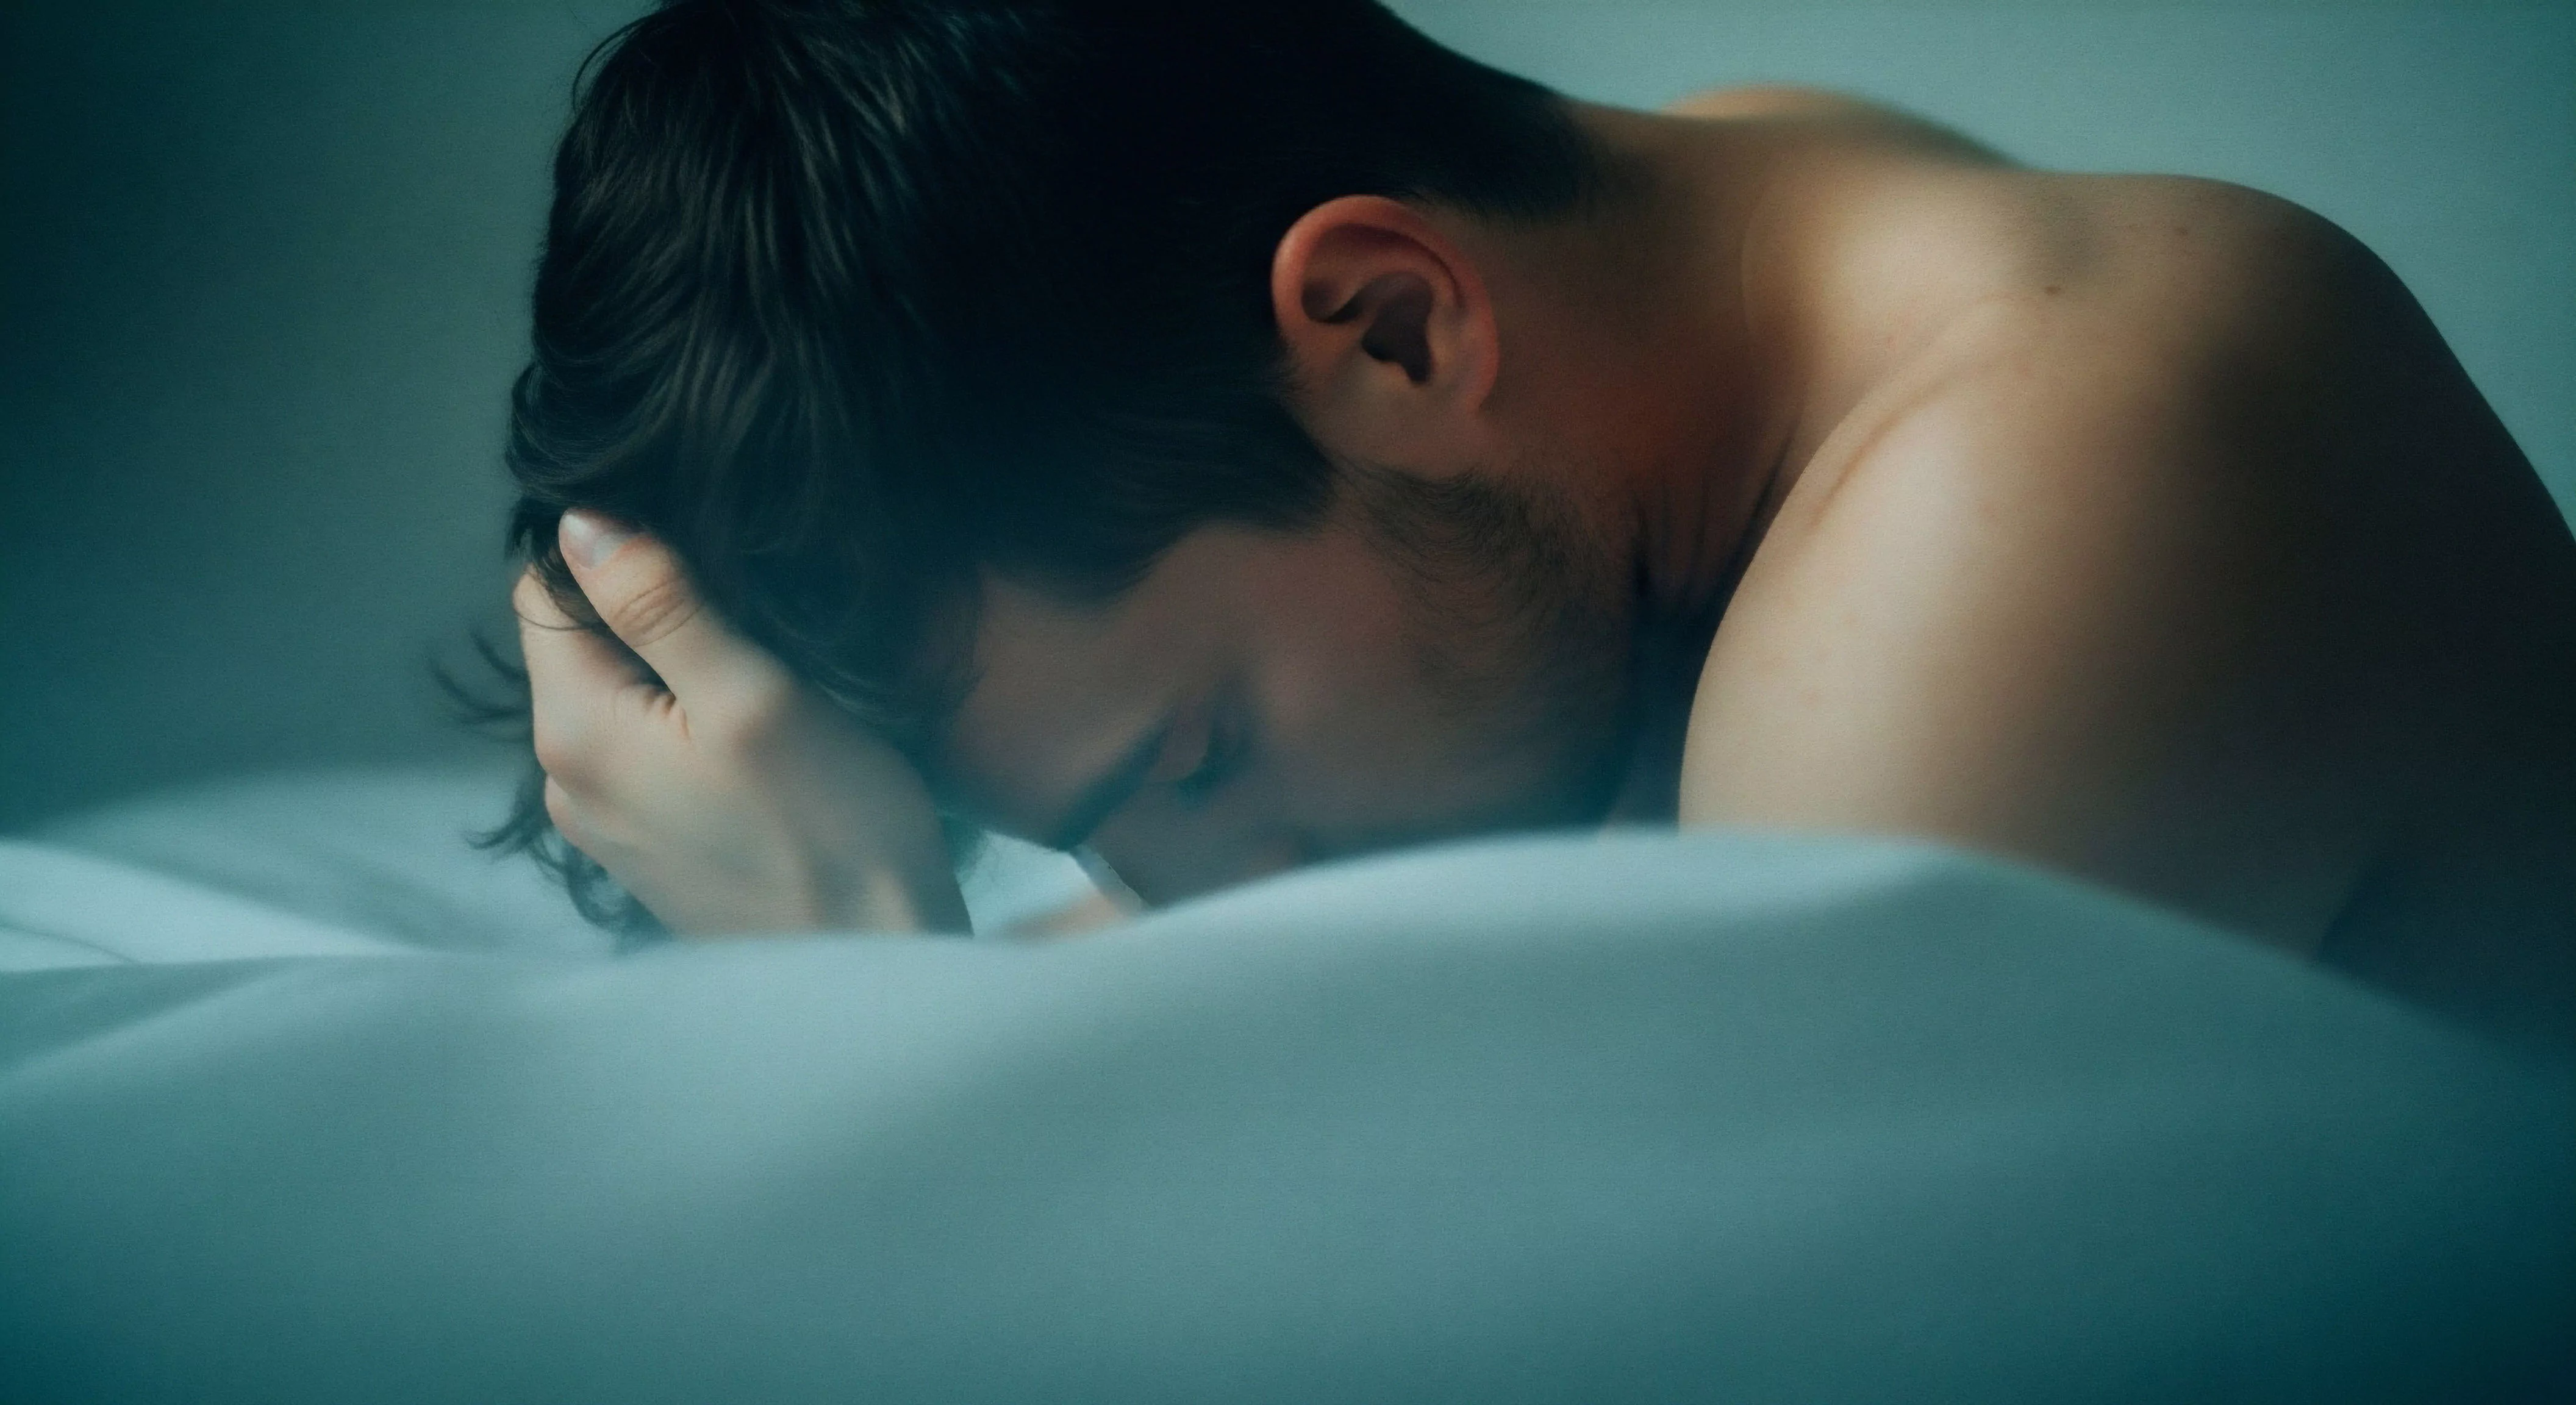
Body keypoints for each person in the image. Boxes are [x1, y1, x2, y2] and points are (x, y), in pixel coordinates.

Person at [504, 0, 2575, 1048]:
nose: (1208, 901)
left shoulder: (2034, 517)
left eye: (1199, 760)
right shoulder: (1729, 246)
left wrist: (865, 1027)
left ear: (1396, 331)